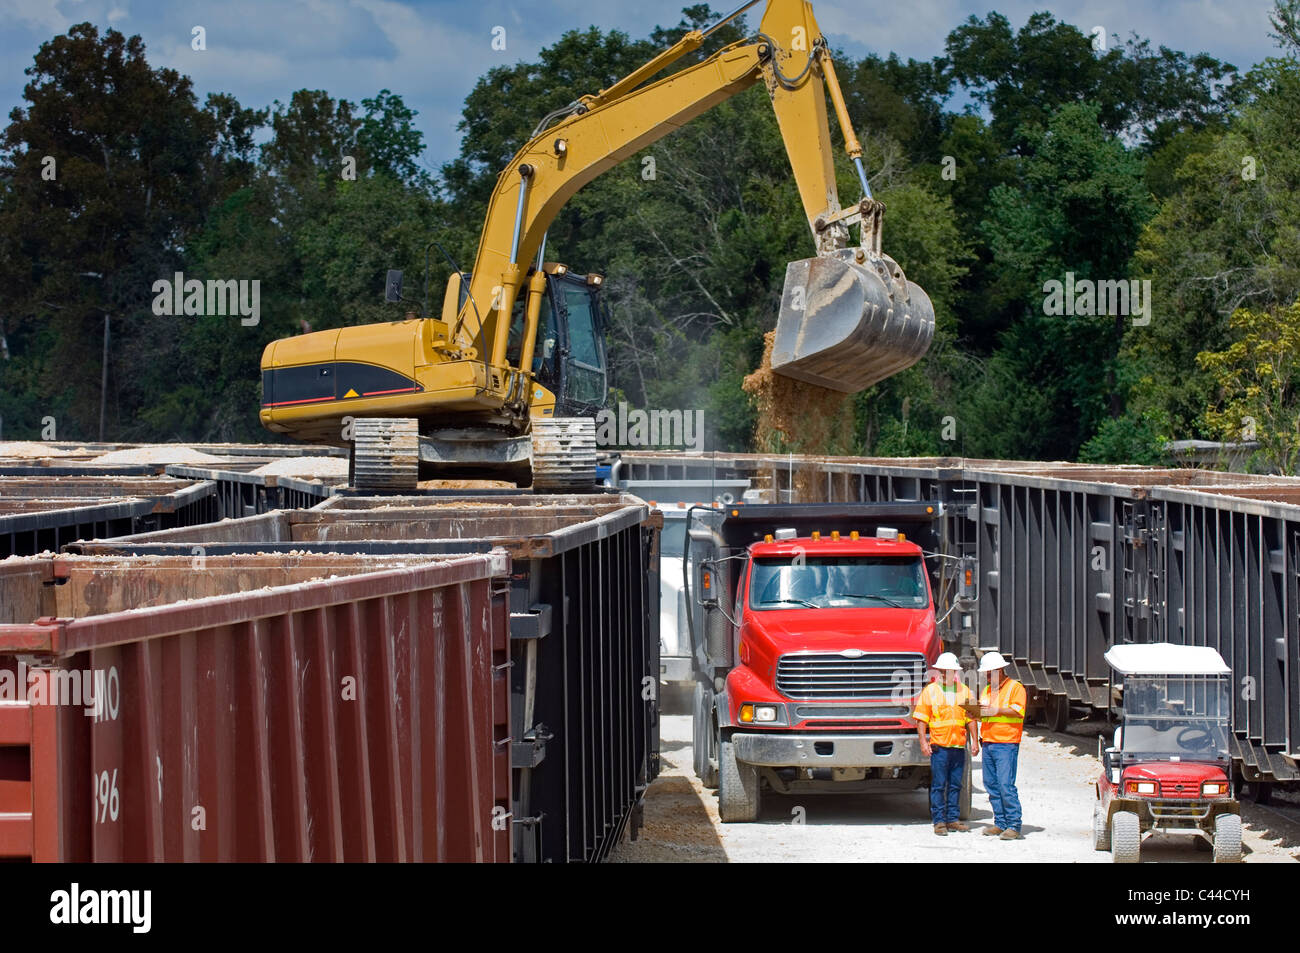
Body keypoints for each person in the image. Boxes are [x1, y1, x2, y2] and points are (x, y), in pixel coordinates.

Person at [912, 652, 978, 836]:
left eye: (952, 671)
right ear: (940, 671)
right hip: (939, 747)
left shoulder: (964, 690)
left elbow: (971, 718)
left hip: (958, 746)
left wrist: (974, 742)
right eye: (946, 671)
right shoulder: (930, 691)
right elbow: (921, 720)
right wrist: (923, 742)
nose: (949, 673)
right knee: (939, 785)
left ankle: (953, 819)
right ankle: (939, 821)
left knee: (956, 785)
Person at [977, 652, 1026, 840]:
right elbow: (984, 711)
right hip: (989, 742)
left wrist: (992, 710)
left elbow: (1017, 712)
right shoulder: (988, 690)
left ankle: (1014, 824)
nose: (987, 677)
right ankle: (1000, 822)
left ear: (999, 670)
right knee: (991, 784)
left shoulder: (1015, 688)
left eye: (989, 673)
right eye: (986, 674)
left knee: (1006, 784)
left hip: (1006, 743)